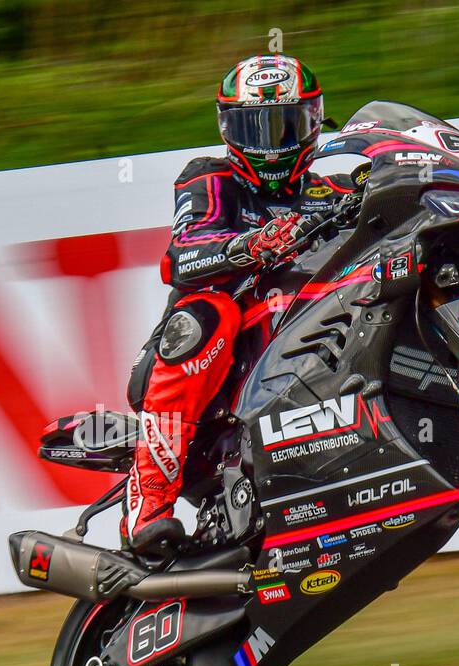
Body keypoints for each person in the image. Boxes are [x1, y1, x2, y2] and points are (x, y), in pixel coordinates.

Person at [121, 53, 356, 555]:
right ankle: (148, 505)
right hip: (217, 354)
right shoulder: (208, 181)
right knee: (206, 315)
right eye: (257, 128)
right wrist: (247, 246)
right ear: (229, 129)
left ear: (313, 122)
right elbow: (181, 256)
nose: (272, 144)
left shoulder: (329, 190)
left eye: (285, 124)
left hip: (309, 339)